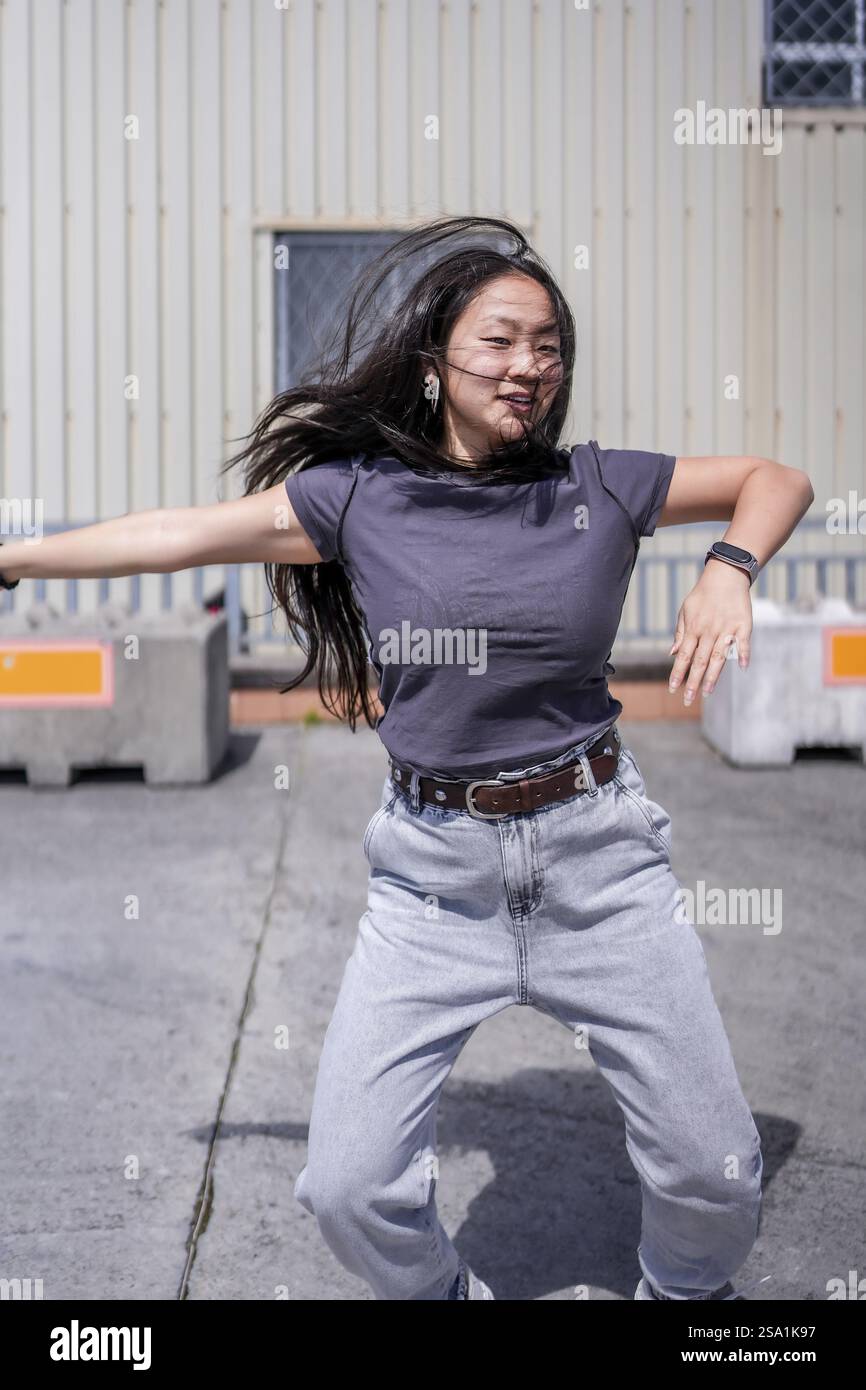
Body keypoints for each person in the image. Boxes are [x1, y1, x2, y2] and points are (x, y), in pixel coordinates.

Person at [0, 215, 814, 1301]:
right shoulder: (359, 497)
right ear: (434, 361)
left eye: (548, 345)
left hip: (600, 866)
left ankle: (681, 1302)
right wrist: (10, 559)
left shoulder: (599, 485)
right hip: (432, 883)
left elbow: (776, 476)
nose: (529, 366)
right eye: (500, 340)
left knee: (715, 1178)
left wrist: (726, 563)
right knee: (346, 1188)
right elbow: (175, 534)